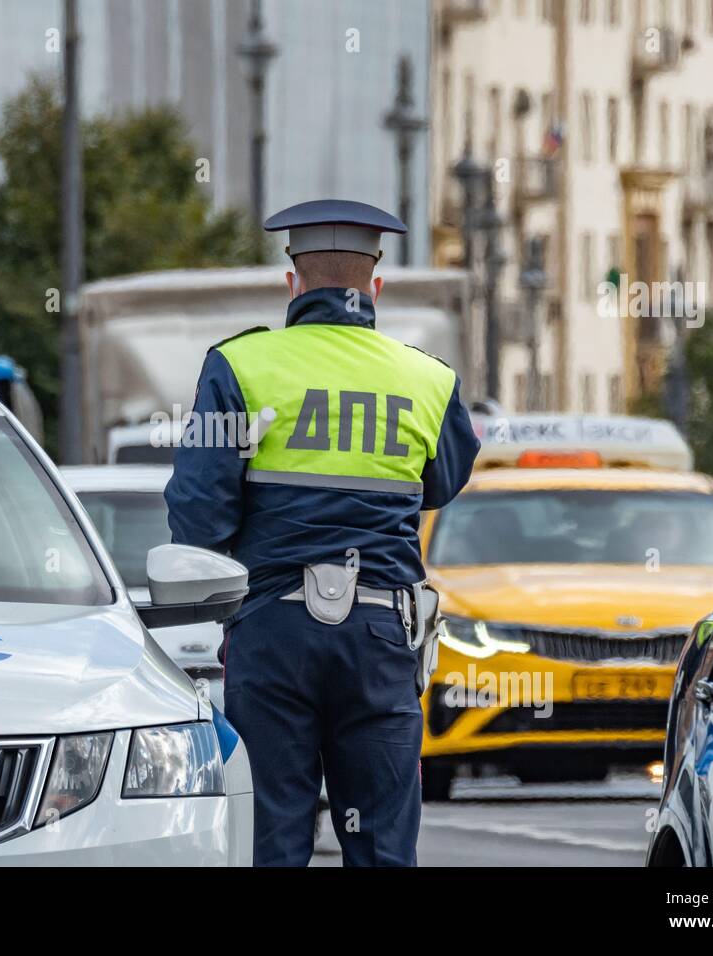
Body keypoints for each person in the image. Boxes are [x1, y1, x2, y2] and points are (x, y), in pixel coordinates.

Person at [165, 199, 480, 866]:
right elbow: (444, 483)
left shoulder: (240, 368)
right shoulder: (427, 378)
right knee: (382, 846)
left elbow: (199, 517)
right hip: (381, 638)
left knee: (273, 840)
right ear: (376, 287)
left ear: (293, 284)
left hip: (274, 638)